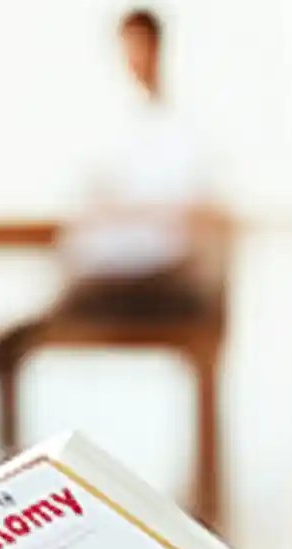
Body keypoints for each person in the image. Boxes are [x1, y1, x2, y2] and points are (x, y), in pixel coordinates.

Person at [54, 7, 224, 321]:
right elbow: (90, 200)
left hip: (157, 269)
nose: (133, 58)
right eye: (127, 48)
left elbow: (197, 211)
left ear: (156, 47)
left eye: (139, 46)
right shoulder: (110, 128)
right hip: (113, 263)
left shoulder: (184, 130)